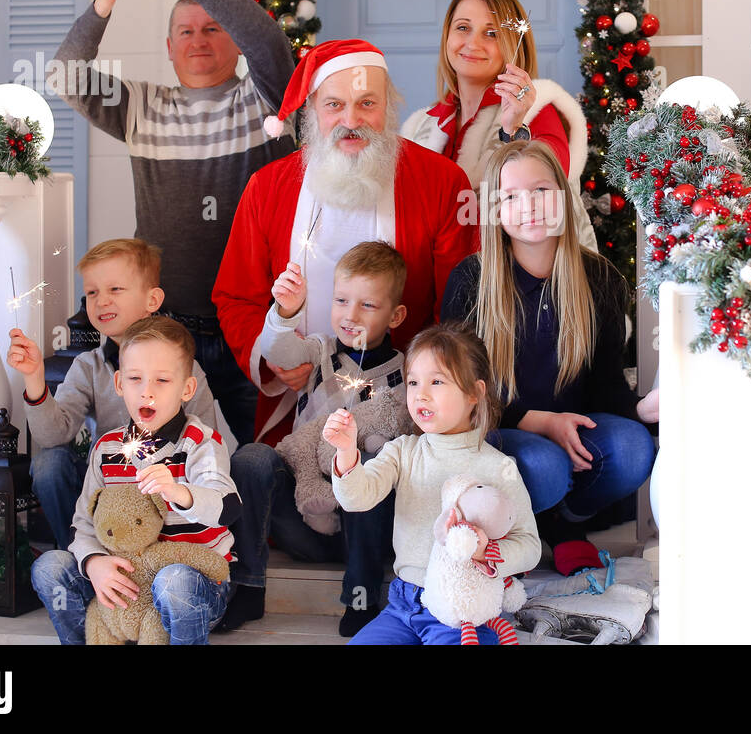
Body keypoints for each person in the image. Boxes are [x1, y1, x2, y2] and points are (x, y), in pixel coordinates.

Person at [49, 0, 296, 445]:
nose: (198, 40)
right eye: (185, 31)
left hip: (250, 325)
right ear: (168, 46)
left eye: (213, 28)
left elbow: (268, 41)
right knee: (166, 466)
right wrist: (103, 3)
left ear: (234, 41)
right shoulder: (141, 104)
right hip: (164, 330)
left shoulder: (267, 100)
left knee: (251, 463)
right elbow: (65, 74)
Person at [213, 39, 478, 447]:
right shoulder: (267, 188)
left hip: (409, 410)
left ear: (388, 107)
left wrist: (427, 384)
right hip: (299, 408)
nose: (350, 119)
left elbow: (460, 308)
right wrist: (273, 360)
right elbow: (236, 296)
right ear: (312, 112)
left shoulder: (442, 183)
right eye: (334, 105)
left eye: (366, 103)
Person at [441, 140, 655, 568]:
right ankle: (542, 529)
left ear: (562, 195)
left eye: (540, 190)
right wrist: (540, 422)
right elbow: (459, 392)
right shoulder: (472, 280)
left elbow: (605, 385)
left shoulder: (600, 279)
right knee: (544, 465)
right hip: (501, 432)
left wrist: (644, 410)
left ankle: (565, 518)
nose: (530, 206)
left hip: (573, 430)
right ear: (497, 212)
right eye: (511, 196)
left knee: (632, 448)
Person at [218, 242, 410, 637]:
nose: (350, 316)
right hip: (305, 520)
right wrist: (285, 312)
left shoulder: (407, 373)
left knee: (371, 461)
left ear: (396, 315)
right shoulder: (320, 350)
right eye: (341, 300)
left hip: (372, 529)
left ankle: (361, 592)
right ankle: (249, 588)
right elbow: (280, 351)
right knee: (251, 458)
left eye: (367, 306)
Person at [30, 317, 240, 645]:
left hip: (192, 585)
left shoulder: (200, 443)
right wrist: (94, 562)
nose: (147, 392)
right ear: (119, 384)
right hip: (125, 585)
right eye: (135, 379)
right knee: (49, 568)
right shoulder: (106, 449)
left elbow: (227, 506)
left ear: (186, 389)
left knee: (173, 581)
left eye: (162, 381)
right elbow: (83, 524)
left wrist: (179, 492)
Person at [329, 322, 540, 645]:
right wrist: (346, 451)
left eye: (437, 381)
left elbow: (529, 546)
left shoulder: (498, 467)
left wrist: (487, 552)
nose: (421, 394)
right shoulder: (402, 451)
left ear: (475, 393)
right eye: (413, 382)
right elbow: (357, 498)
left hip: (463, 613)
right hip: (402, 606)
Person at [7, 238, 219, 550]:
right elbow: (54, 436)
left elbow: (206, 441)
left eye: (115, 290)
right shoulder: (89, 366)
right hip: (107, 489)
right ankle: (82, 557)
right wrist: (34, 377)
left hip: (167, 490)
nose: (101, 301)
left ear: (152, 299)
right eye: (92, 292)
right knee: (50, 463)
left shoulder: (183, 369)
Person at [401, 0, 597, 250]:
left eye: (491, 33)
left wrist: (513, 129)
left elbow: (548, 189)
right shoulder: (422, 126)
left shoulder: (535, 110)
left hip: (508, 283)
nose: (473, 43)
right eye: (462, 28)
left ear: (513, 45)